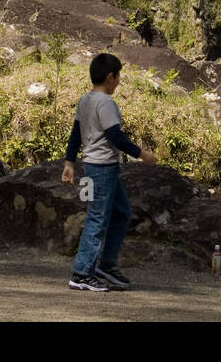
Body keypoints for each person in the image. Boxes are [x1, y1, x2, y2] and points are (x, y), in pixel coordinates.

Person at [61, 52, 157, 292]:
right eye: (118, 77)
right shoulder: (105, 104)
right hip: (101, 169)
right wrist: (143, 154)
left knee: (122, 213)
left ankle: (106, 264)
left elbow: (75, 135)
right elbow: (116, 137)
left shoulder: (85, 100)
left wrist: (70, 163)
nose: (119, 81)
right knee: (97, 218)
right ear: (110, 77)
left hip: (95, 168)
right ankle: (81, 273)